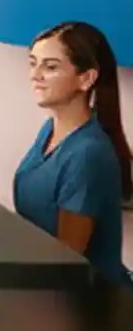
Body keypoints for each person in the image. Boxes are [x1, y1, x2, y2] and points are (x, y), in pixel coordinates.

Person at [15, 22, 132, 287]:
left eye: (51, 67)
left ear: (86, 78)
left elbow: (66, 261)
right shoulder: (51, 129)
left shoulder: (87, 155)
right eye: (33, 63)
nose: (36, 75)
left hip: (90, 307)